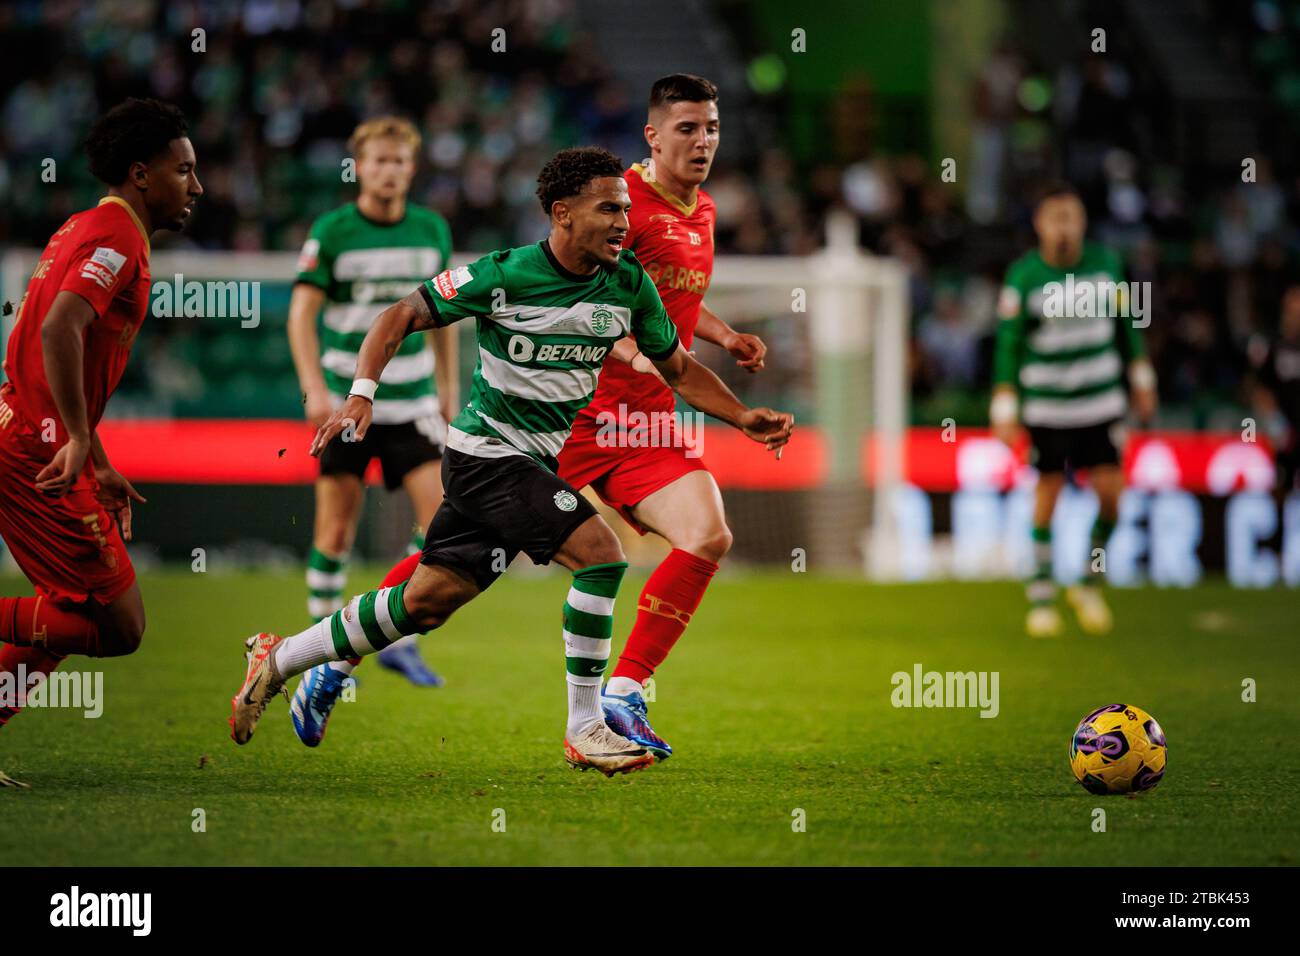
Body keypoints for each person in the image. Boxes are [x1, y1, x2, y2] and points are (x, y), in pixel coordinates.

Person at [228, 146, 793, 775]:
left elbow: (679, 370)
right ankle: (587, 726)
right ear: (563, 214)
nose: (623, 221)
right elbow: (400, 314)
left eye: (627, 209)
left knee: (426, 601)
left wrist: (742, 416)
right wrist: (362, 393)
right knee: (601, 556)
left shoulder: (628, 282)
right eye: (609, 208)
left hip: (532, 463)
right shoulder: (503, 274)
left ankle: (279, 658)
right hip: (486, 456)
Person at [0, 98, 202, 787]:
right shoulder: (116, 237)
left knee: (72, 605)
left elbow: (67, 358)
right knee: (120, 626)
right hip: (36, 448)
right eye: (184, 170)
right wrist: (81, 438)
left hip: (34, 437)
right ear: (142, 175)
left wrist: (103, 460)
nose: (197, 187)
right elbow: (60, 329)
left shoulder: (83, 226)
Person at [287, 117, 458, 745]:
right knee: (335, 529)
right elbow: (301, 314)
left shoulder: (431, 229)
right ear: (359, 166)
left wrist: (448, 386)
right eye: (379, 161)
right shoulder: (333, 232)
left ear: (412, 168)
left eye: (400, 162)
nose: (390, 171)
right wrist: (315, 391)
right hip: (347, 404)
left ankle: (397, 640)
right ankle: (317, 657)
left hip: (412, 402)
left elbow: (444, 315)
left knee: (441, 527)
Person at [990, 182, 1157, 638]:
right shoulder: (1023, 276)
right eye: (1055, 219)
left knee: (1112, 498)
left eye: (1071, 218)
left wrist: (1142, 379)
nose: (1064, 228)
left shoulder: (1107, 267)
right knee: (1047, 494)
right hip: (1046, 405)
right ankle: (1041, 595)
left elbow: (1129, 329)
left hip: (1101, 402)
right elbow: (1008, 345)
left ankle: (1087, 581)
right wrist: (1004, 405)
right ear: (1040, 224)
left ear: (1082, 223)